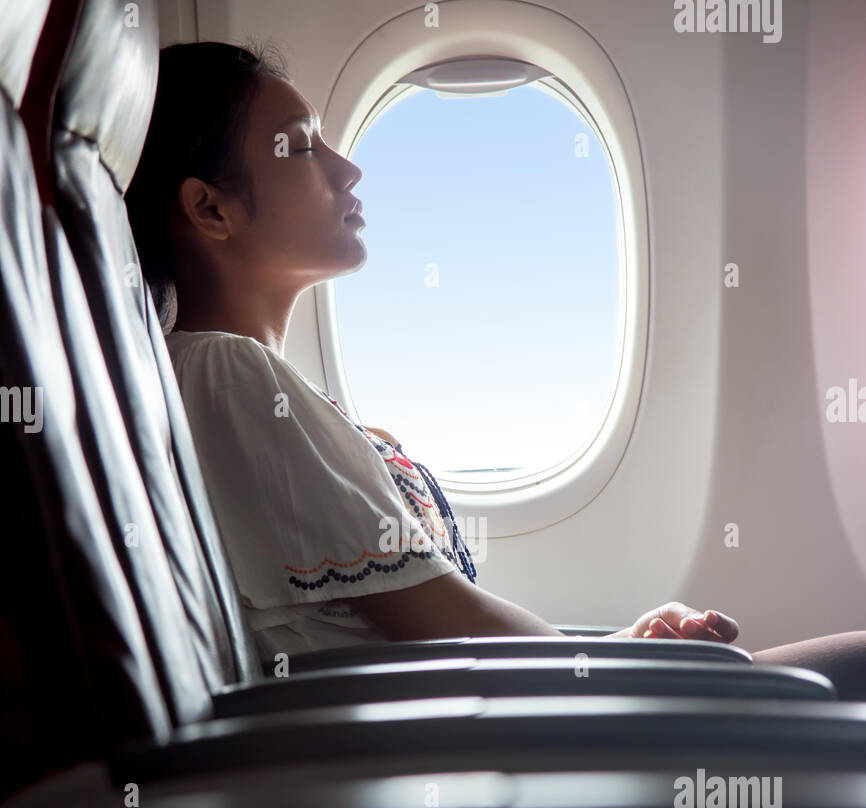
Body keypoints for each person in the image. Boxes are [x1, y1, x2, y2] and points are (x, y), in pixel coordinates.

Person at [126, 41, 866, 694]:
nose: (348, 169)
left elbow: (448, 633)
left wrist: (626, 645)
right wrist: (626, 669)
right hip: (458, 741)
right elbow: (455, 627)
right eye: (302, 146)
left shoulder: (243, 379)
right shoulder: (229, 376)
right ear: (210, 210)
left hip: (482, 719)